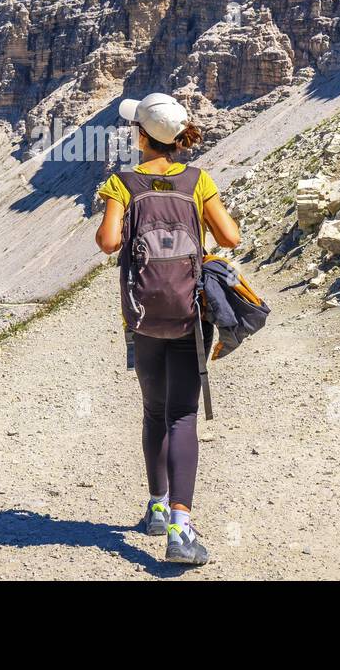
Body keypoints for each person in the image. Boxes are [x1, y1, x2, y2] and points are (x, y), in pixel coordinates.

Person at [95, 93, 241, 566]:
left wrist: (119, 204)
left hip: (140, 317)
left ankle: (157, 505)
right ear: (177, 139)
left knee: (153, 411)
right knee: (182, 415)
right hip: (187, 316)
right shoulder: (199, 181)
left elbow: (108, 242)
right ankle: (181, 528)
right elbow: (230, 238)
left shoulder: (123, 182)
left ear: (141, 136)